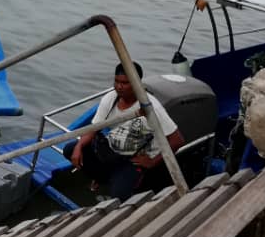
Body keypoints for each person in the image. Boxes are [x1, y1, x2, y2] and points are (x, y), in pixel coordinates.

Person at [64, 63, 185, 201]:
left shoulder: (151, 107)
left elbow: (177, 140)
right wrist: (79, 146)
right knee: (70, 148)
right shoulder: (110, 98)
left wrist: (152, 161)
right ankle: (102, 177)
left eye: (125, 83)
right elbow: (93, 128)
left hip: (134, 159)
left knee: (119, 198)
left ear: (136, 83)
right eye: (117, 81)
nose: (119, 86)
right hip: (112, 150)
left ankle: (123, 181)